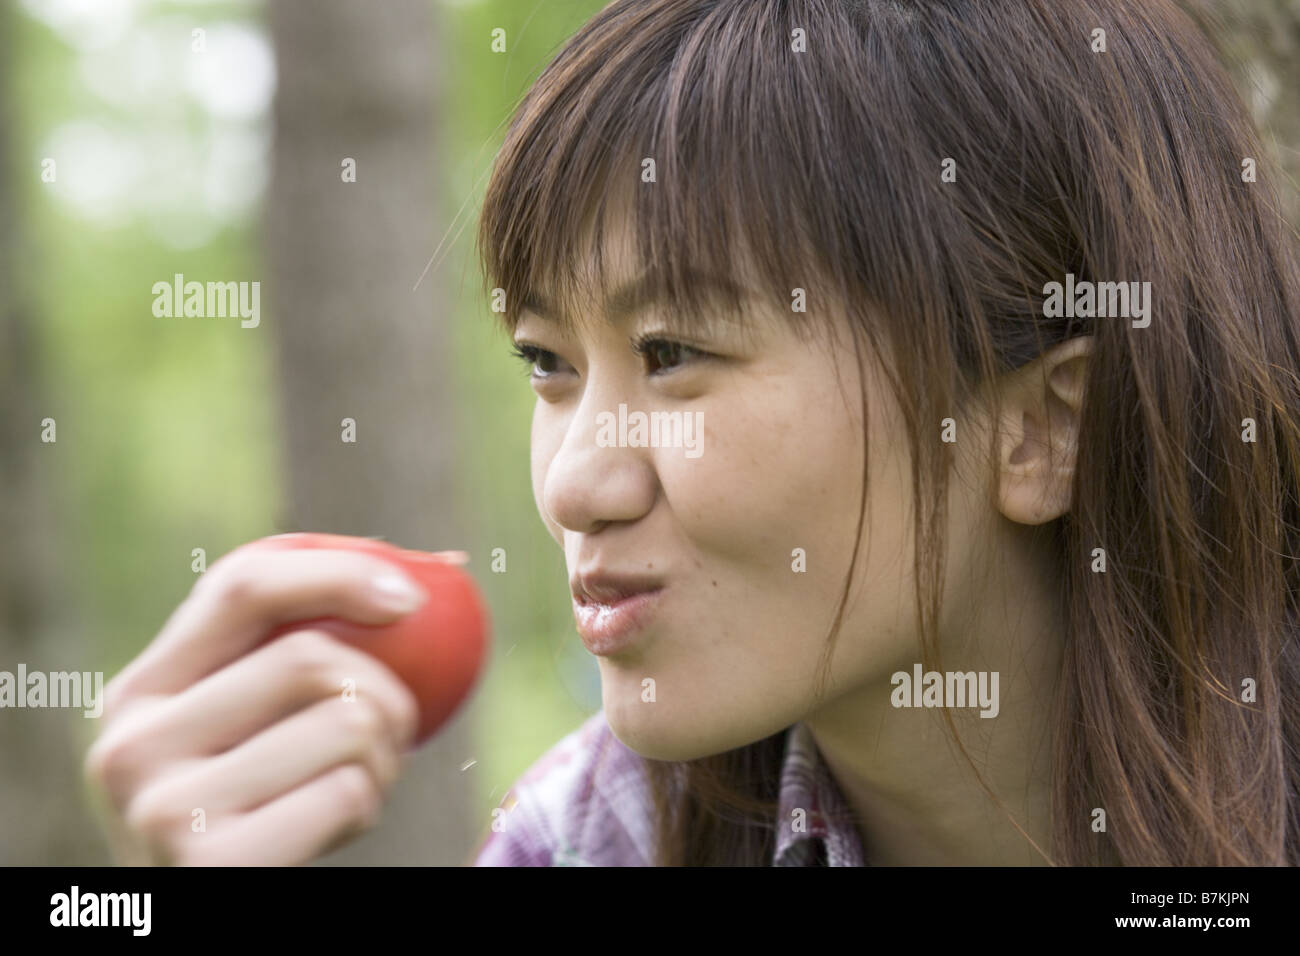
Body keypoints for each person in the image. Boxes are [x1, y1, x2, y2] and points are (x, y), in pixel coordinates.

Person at [86, 0, 1300, 866]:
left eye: (672, 353)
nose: (572, 485)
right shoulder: (585, 838)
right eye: (547, 365)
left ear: (1040, 428)